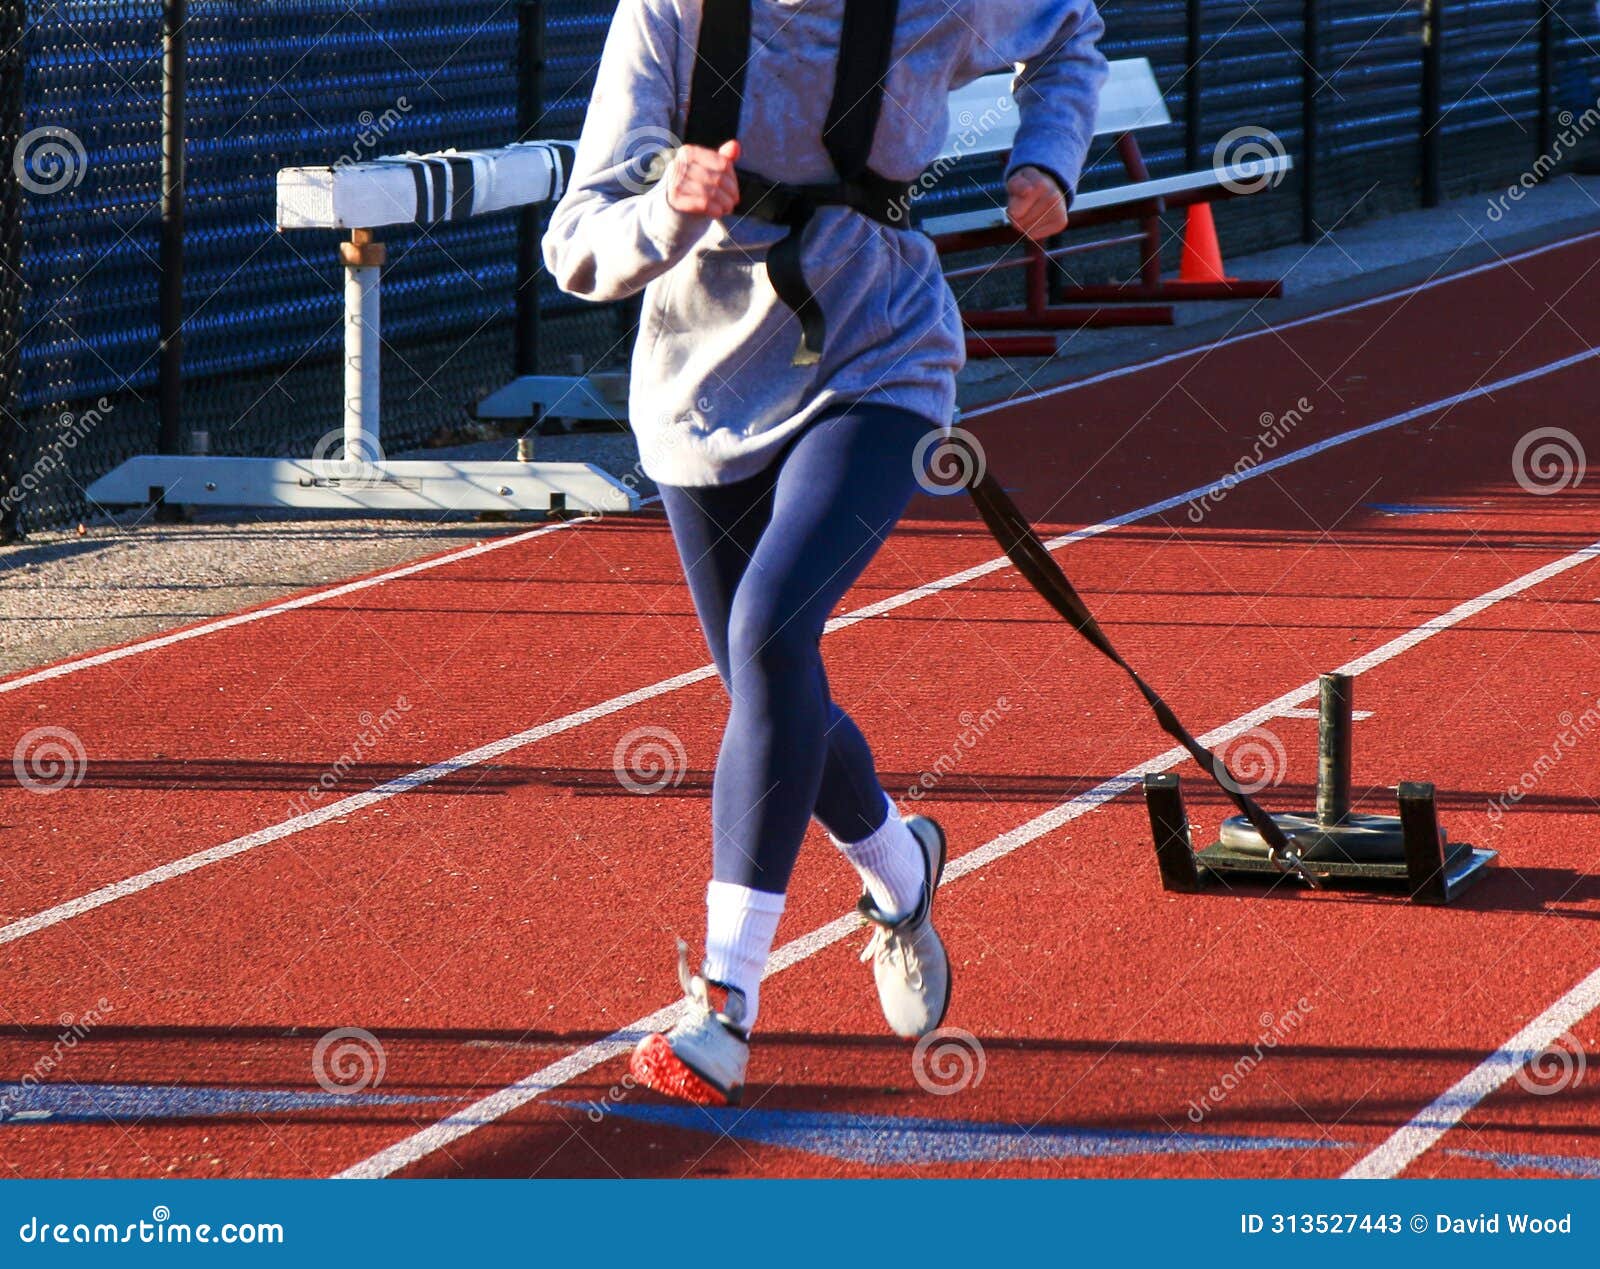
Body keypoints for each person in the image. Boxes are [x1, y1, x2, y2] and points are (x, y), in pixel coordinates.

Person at [543, 0, 1107, 1106]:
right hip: (699, 380)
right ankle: (902, 870)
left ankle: (722, 1003)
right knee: (765, 678)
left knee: (768, 633)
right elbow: (578, 241)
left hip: (878, 349)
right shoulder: (667, 17)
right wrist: (667, 207)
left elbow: (1070, 27)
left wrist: (1051, 159)